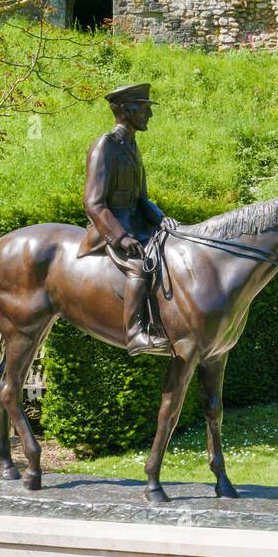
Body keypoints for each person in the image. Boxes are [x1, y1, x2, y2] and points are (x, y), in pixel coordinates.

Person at [76, 83, 171, 356]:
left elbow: (141, 198)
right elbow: (93, 202)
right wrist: (120, 236)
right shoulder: (105, 145)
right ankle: (135, 334)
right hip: (111, 226)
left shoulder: (132, 146)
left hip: (138, 224)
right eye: (144, 108)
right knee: (139, 267)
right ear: (126, 110)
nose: (149, 115)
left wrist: (163, 220)